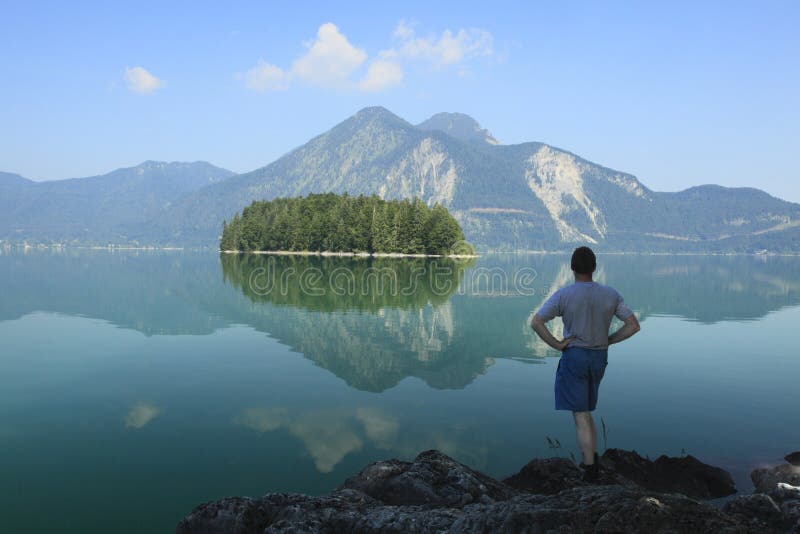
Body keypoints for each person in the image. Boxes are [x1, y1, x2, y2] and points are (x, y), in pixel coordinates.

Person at [530, 246, 640, 481]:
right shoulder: (610, 294)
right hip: (599, 357)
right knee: (587, 411)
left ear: (572, 267)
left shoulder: (564, 295)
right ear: (594, 267)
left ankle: (590, 470)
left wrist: (557, 345)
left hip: (575, 357)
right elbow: (633, 325)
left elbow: (536, 322)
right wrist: (609, 340)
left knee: (580, 415)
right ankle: (593, 460)